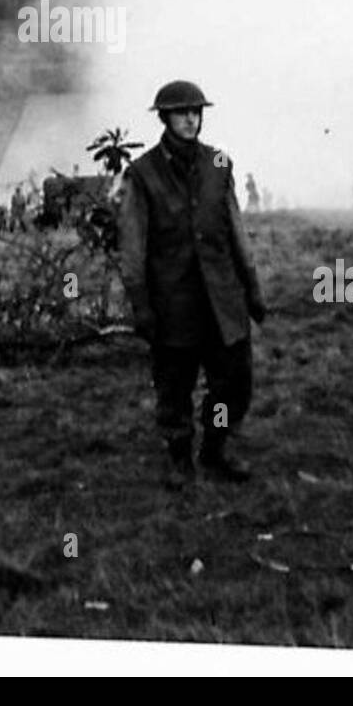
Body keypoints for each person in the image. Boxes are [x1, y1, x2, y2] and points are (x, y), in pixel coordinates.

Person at [117, 80, 266, 487]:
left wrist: (251, 287)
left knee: (230, 385)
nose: (191, 119)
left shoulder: (219, 164)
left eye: (196, 111)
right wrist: (142, 306)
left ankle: (215, 449)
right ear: (164, 117)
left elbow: (236, 228)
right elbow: (132, 248)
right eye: (181, 112)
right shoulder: (143, 174)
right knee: (174, 388)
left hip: (222, 300)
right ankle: (179, 457)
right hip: (173, 304)